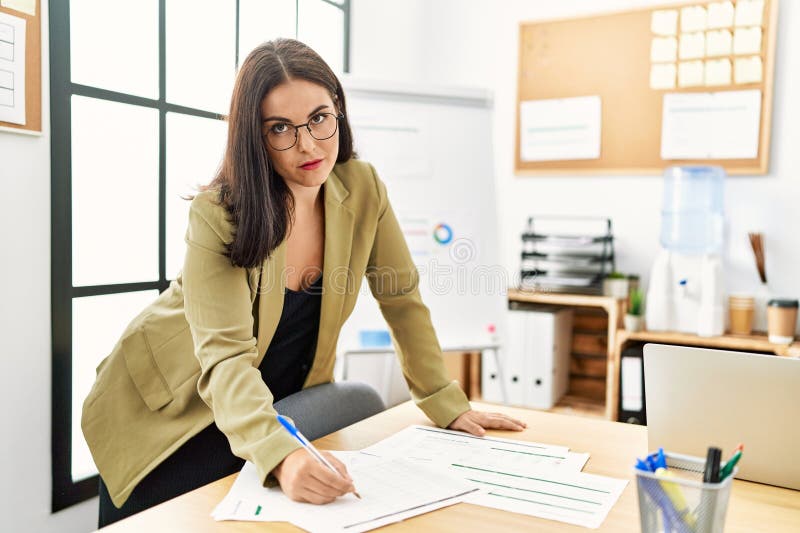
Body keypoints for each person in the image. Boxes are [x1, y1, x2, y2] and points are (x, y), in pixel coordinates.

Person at [82, 38, 526, 527]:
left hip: (267, 407)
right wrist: (282, 456)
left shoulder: (362, 187)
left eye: (318, 117)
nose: (309, 144)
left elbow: (401, 298)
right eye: (280, 128)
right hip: (172, 415)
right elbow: (225, 358)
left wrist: (444, 401)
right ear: (254, 136)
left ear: (338, 108)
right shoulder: (220, 214)